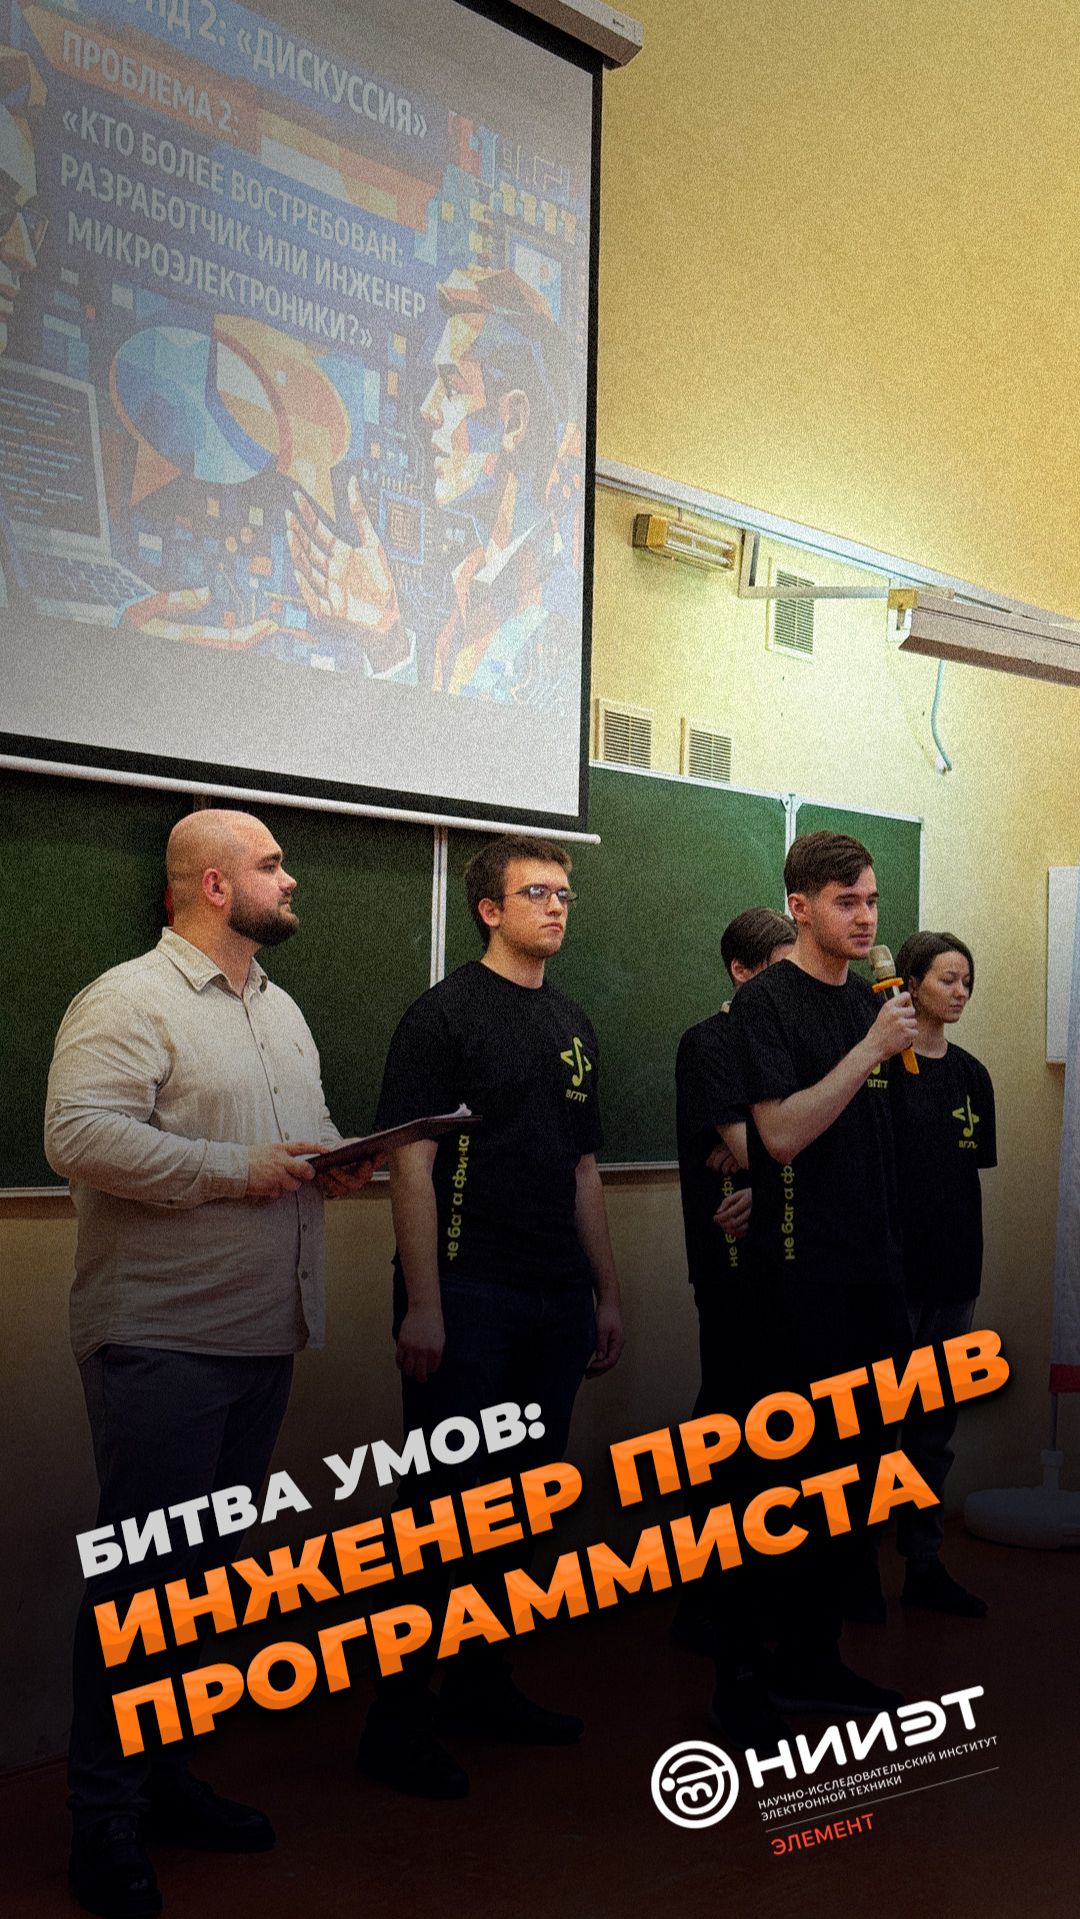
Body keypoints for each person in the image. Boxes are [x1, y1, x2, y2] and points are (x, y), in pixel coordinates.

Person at [45, 808, 375, 1919]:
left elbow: (297, 1138)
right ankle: (103, 1817)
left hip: (261, 1331)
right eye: (274, 864)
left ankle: (166, 1777)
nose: (294, 880)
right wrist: (240, 1168)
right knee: (141, 1584)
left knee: (204, 1583)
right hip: (163, 1339)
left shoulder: (280, 1008)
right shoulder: (128, 998)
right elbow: (79, 1136)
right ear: (217, 886)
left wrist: (335, 1162)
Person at [358, 832, 624, 1797]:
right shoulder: (443, 1016)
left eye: (564, 894)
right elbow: (411, 1161)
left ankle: (482, 1684)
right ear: (489, 908)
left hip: (556, 1299)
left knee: (520, 1510)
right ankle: (396, 1721)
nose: (556, 907)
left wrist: (605, 1290)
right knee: (439, 1513)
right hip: (467, 1299)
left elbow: (583, 1168)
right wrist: (425, 1303)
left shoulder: (573, 1020)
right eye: (537, 892)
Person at [723, 830, 919, 1719]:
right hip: (797, 1281)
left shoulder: (873, 1003)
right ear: (799, 907)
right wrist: (871, 1048)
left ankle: (816, 1658)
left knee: (852, 1484)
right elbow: (778, 1135)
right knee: (778, 1484)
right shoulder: (766, 1005)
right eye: (847, 902)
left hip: (872, 1275)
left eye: (872, 900)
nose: (866, 917)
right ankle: (741, 1681)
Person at [285, 265, 579, 703]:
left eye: (452, 387)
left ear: (514, 421)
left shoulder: (554, 616)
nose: (427, 410)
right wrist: (386, 639)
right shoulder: (469, 590)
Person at [671, 907, 795, 1725]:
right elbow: (767, 1149)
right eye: (780, 970)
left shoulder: (788, 1038)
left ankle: (760, 1599)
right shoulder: (711, 1041)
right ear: (742, 972)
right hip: (731, 1260)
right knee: (728, 1424)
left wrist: (771, 1160)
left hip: (790, 1258)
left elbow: (797, 1144)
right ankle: (705, 1599)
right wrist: (764, 1155)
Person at [889, 931, 996, 1617]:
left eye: (966, 981)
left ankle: (923, 1564)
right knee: (872, 1429)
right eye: (946, 979)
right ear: (910, 983)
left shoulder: (971, 1075)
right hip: (889, 1276)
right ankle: (851, 1573)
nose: (959, 992)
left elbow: (966, 1170)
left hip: (955, 1273)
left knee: (932, 1431)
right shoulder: (881, 1069)